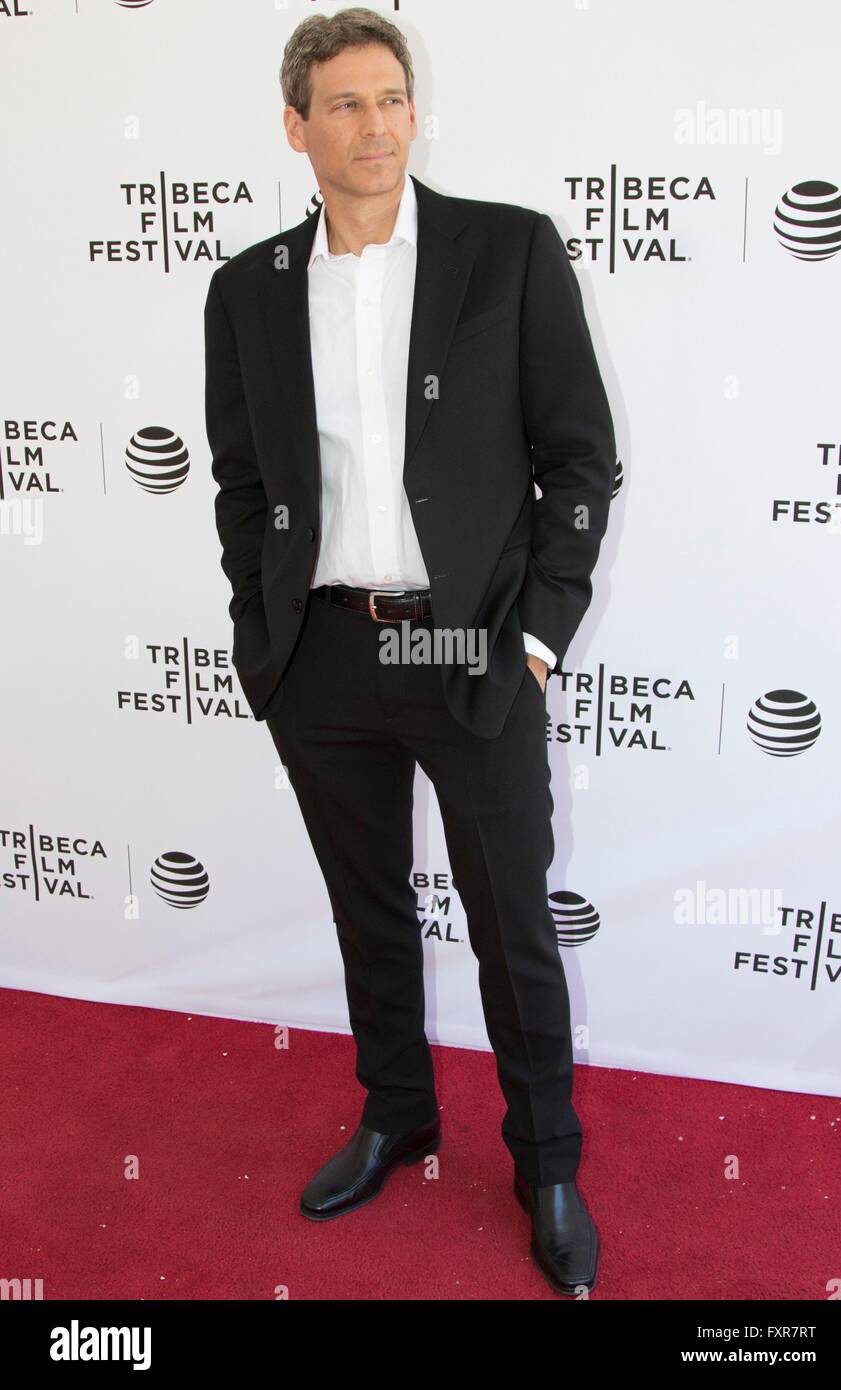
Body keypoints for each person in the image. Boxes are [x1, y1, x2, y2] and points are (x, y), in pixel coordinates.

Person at [204, 6, 616, 1297]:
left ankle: (545, 1160)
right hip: (321, 649)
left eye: (391, 98)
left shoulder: (505, 250)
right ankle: (398, 1113)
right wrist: (259, 630)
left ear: (412, 111)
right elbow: (237, 478)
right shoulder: (247, 287)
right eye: (344, 103)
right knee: (368, 910)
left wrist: (535, 637)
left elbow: (577, 459)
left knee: (511, 923)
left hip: (469, 642)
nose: (374, 124)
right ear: (296, 127)